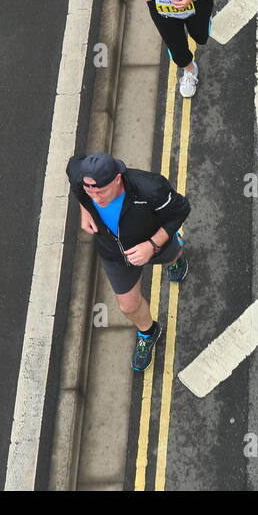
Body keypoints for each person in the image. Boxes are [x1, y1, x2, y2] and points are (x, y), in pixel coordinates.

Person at [66, 153, 191, 373]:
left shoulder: (151, 188)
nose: (96, 198)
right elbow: (75, 180)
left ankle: (175, 259)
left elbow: (181, 210)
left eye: (101, 191)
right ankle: (149, 332)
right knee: (128, 306)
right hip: (114, 254)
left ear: (117, 179)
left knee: (173, 255)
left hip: (153, 242)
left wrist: (152, 245)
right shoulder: (80, 178)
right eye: (90, 191)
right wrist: (85, 209)